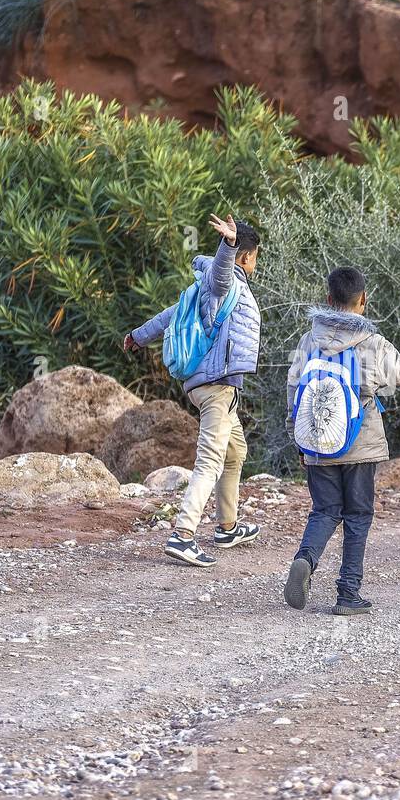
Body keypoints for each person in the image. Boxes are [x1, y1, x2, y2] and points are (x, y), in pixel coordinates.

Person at [283, 267, 400, 615]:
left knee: (324, 510)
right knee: (358, 516)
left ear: (327, 300)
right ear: (363, 301)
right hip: (360, 444)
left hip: (317, 441)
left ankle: (305, 559)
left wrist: (297, 434)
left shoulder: (309, 341)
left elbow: (293, 388)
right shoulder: (373, 344)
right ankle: (347, 593)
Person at [124, 214, 262, 567]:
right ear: (248, 256)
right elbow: (221, 275)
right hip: (216, 386)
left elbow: (168, 316)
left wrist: (138, 337)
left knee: (234, 452)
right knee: (210, 461)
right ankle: (183, 535)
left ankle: (227, 527)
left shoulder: (200, 288)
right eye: (255, 256)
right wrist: (228, 245)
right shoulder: (225, 283)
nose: (256, 262)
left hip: (216, 388)